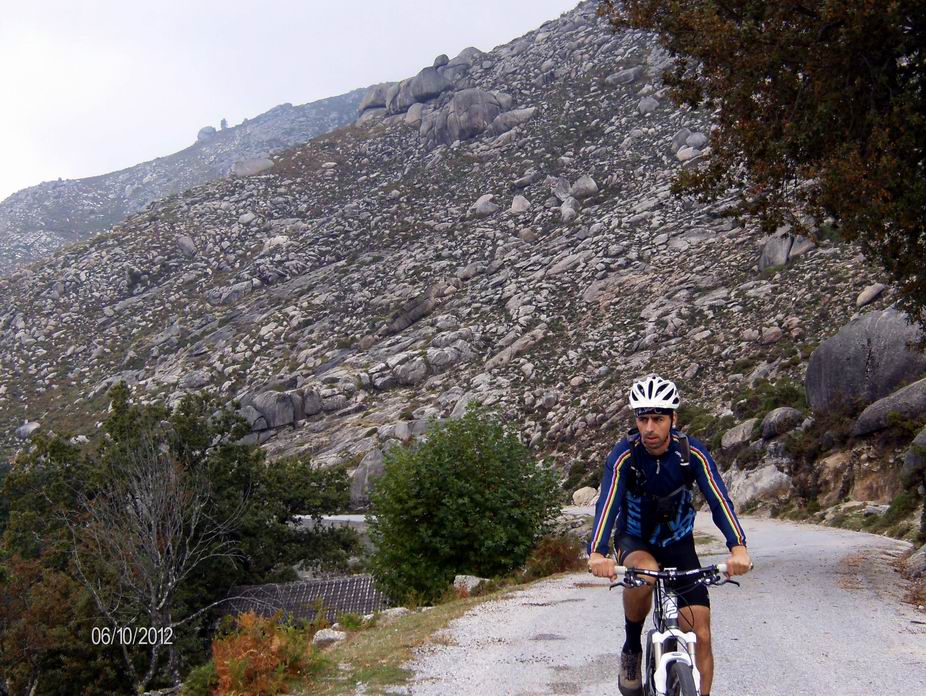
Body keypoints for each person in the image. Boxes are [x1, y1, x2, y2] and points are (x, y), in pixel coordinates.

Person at [587, 374, 752, 696]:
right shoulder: (624, 455)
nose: (649, 428)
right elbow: (607, 504)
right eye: (643, 419)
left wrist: (738, 547)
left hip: (678, 543)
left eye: (658, 419)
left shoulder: (691, 453)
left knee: (700, 635)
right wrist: (597, 553)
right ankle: (632, 648)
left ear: (673, 419)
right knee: (645, 574)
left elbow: (719, 500)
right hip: (636, 539)